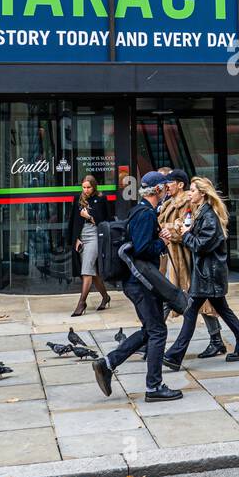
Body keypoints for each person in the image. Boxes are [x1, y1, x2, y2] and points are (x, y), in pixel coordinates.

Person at [92, 171, 182, 402]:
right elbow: (142, 249)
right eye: (164, 188)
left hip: (136, 283)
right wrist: (162, 241)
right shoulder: (146, 214)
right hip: (141, 283)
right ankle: (154, 387)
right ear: (158, 190)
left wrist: (157, 238)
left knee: (150, 330)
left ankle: (108, 363)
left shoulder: (140, 211)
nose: (166, 192)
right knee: (158, 331)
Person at [160, 177, 239, 369]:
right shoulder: (201, 213)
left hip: (208, 275)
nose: (190, 193)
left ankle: (174, 355)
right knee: (223, 311)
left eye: (193, 190)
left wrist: (186, 234)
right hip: (206, 273)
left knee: (191, 312)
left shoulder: (209, 216)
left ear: (202, 194)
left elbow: (201, 245)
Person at [68, 174, 112, 316]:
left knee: (87, 270)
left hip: (94, 235)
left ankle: (82, 303)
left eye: (88, 187)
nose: (86, 190)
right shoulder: (77, 199)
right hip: (81, 236)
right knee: (93, 274)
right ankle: (105, 297)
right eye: (84, 187)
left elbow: (106, 222)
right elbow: (73, 221)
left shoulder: (101, 199)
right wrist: (75, 239)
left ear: (94, 187)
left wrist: (89, 217)